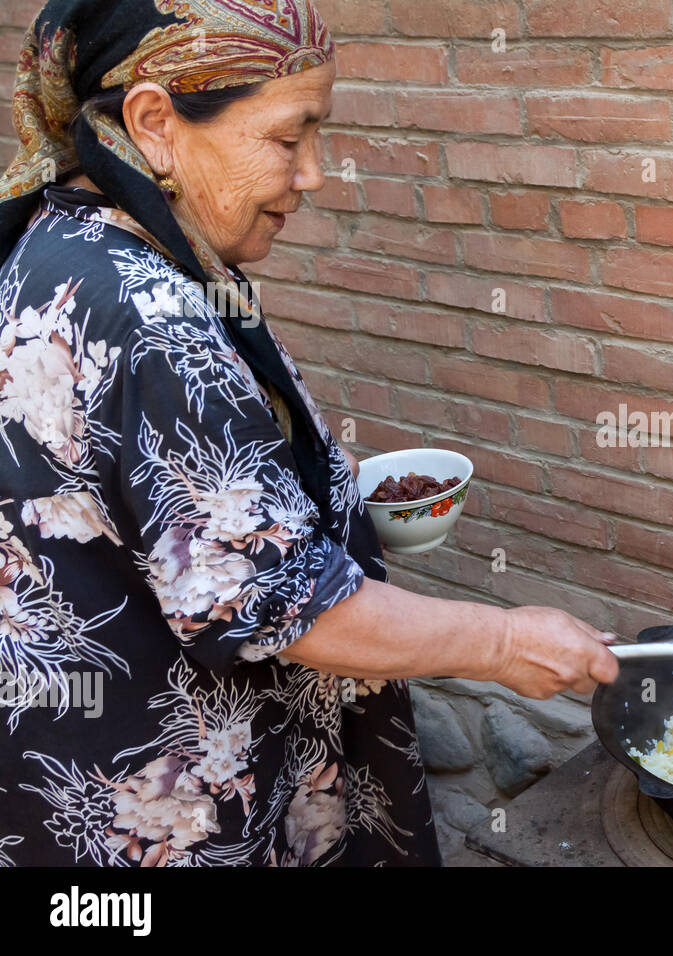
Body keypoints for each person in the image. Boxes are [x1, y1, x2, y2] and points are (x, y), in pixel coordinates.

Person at [0, 0, 618, 867]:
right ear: (153, 121)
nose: (315, 174)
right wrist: (505, 643)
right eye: (289, 139)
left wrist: (312, 488)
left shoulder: (67, 241)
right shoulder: (143, 310)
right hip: (162, 812)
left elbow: (140, 495)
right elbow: (282, 606)